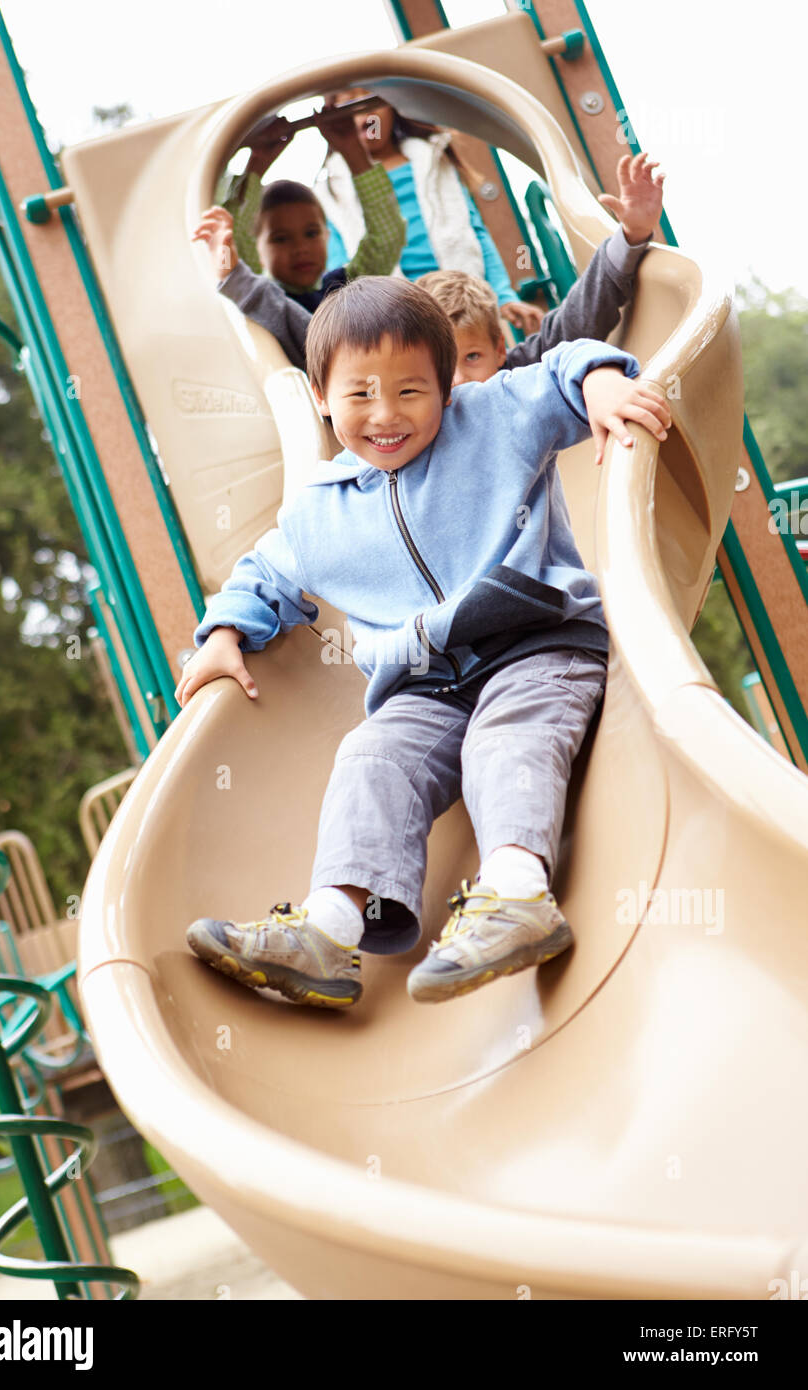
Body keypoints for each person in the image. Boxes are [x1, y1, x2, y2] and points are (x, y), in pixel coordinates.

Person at [180, 276, 671, 1009]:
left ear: (446, 388)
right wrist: (223, 632)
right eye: (360, 394)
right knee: (370, 755)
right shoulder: (323, 509)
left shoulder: (491, 419)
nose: (386, 414)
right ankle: (329, 929)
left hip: (536, 646)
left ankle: (515, 896)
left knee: (501, 740)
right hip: (423, 686)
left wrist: (600, 383)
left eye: (411, 392)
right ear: (320, 395)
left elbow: (561, 368)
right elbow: (266, 571)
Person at [419, 151, 665, 385]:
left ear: (499, 350)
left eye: (472, 356)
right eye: (443, 366)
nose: (460, 379)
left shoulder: (520, 374)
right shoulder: (421, 409)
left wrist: (632, 234)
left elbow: (579, 319)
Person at [315, 86, 544, 336]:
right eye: (349, 105)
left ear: (393, 105)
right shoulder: (331, 190)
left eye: (370, 101)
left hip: (460, 302)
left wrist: (503, 295)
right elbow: (337, 266)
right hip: (395, 319)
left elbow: (473, 230)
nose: (363, 114)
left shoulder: (433, 159)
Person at [192, 107, 405, 370]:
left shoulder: (346, 288)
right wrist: (256, 163)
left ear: (327, 235)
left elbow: (386, 237)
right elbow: (233, 243)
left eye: (311, 233)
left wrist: (353, 151)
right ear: (255, 249)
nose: (301, 248)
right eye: (280, 239)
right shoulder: (258, 297)